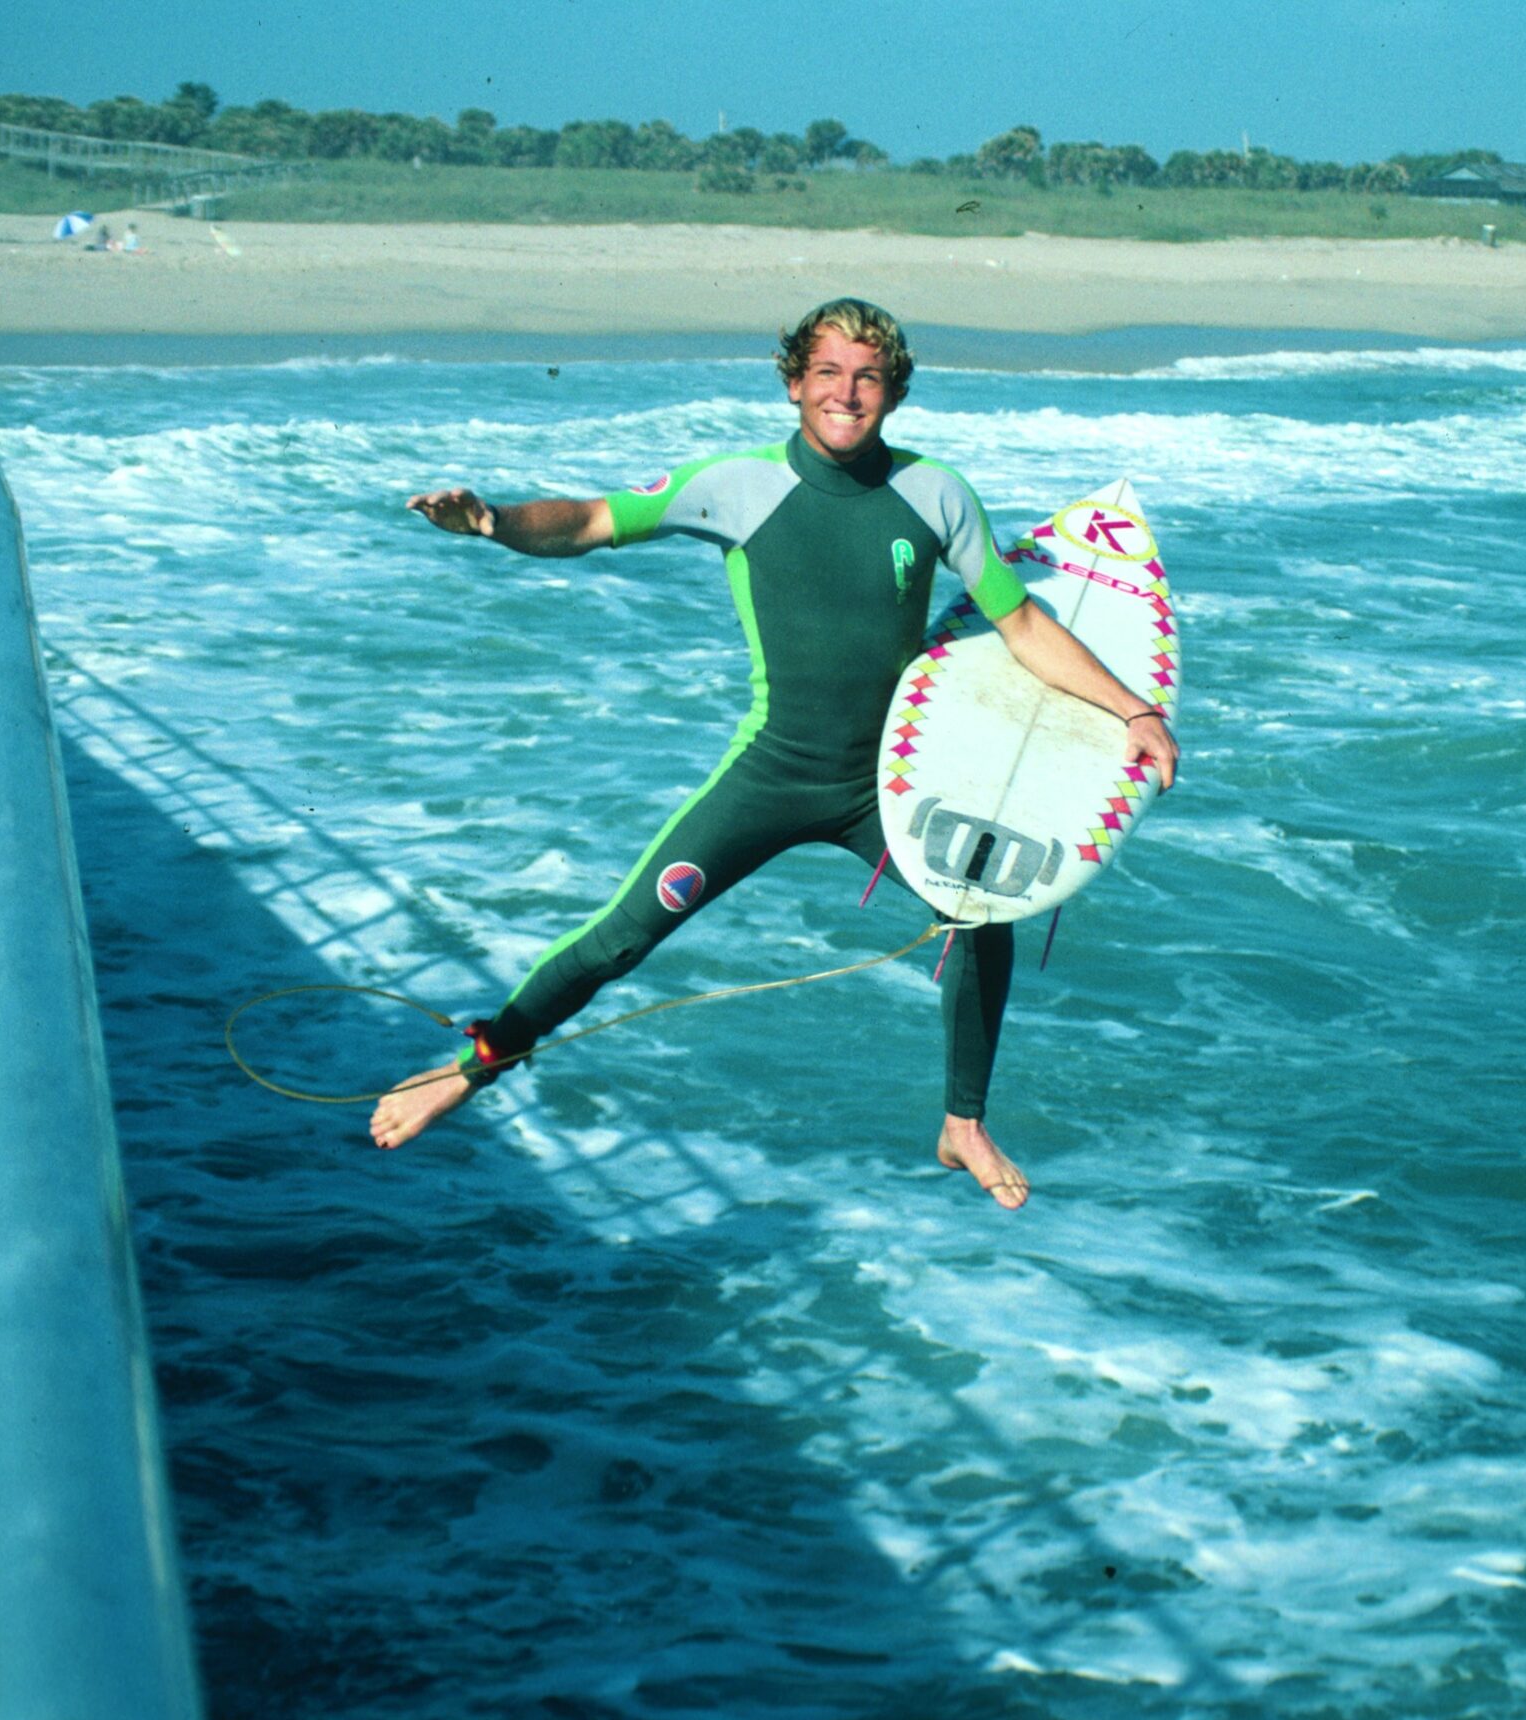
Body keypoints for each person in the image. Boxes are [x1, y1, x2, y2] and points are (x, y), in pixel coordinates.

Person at [373, 298, 1179, 1210]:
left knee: (983, 911)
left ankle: (962, 1122)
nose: (847, 393)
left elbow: (1022, 620)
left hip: (886, 786)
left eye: (868, 377)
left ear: (895, 390)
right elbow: (595, 520)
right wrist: (493, 522)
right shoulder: (738, 484)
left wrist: (1133, 710)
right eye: (828, 373)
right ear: (794, 381)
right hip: (775, 774)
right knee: (623, 934)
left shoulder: (936, 493)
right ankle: (475, 1066)